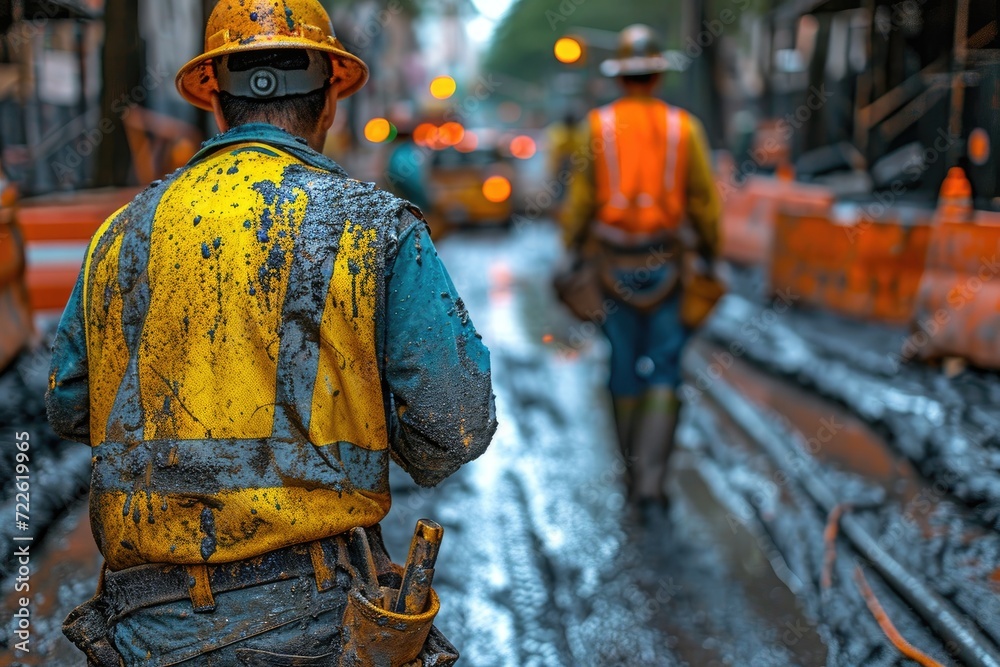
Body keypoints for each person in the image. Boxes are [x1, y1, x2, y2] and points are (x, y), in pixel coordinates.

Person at [46, 1, 497, 664]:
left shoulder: (122, 233)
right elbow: (455, 423)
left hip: (146, 625)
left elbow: (68, 403)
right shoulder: (375, 226)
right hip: (318, 616)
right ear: (330, 104)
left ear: (216, 103)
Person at [561, 24, 721, 520]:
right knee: (666, 369)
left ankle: (632, 480)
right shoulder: (683, 128)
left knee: (623, 366)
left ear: (621, 77)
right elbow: (703, 202)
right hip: (668, 265)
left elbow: (581, 200)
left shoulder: (596, 127)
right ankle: (653, 482)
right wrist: (711, 251)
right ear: (656, 75)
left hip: (612, 267)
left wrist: (572, 248)